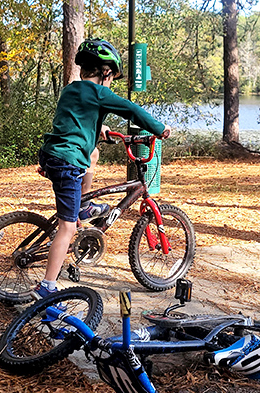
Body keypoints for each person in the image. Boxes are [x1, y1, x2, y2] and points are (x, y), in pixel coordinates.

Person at [33, 37, 172, 303]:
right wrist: (159, 128)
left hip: (52, 154)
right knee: (67, 228)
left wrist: (101, 129)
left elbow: (74, 119)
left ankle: (83, 206)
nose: (110, 83)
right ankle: (47, 286)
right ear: (105, 71)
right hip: (68, 161)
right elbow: (132, 110)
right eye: (111, 77)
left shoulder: (70, 90)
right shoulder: (99, 92)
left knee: (93, 152)